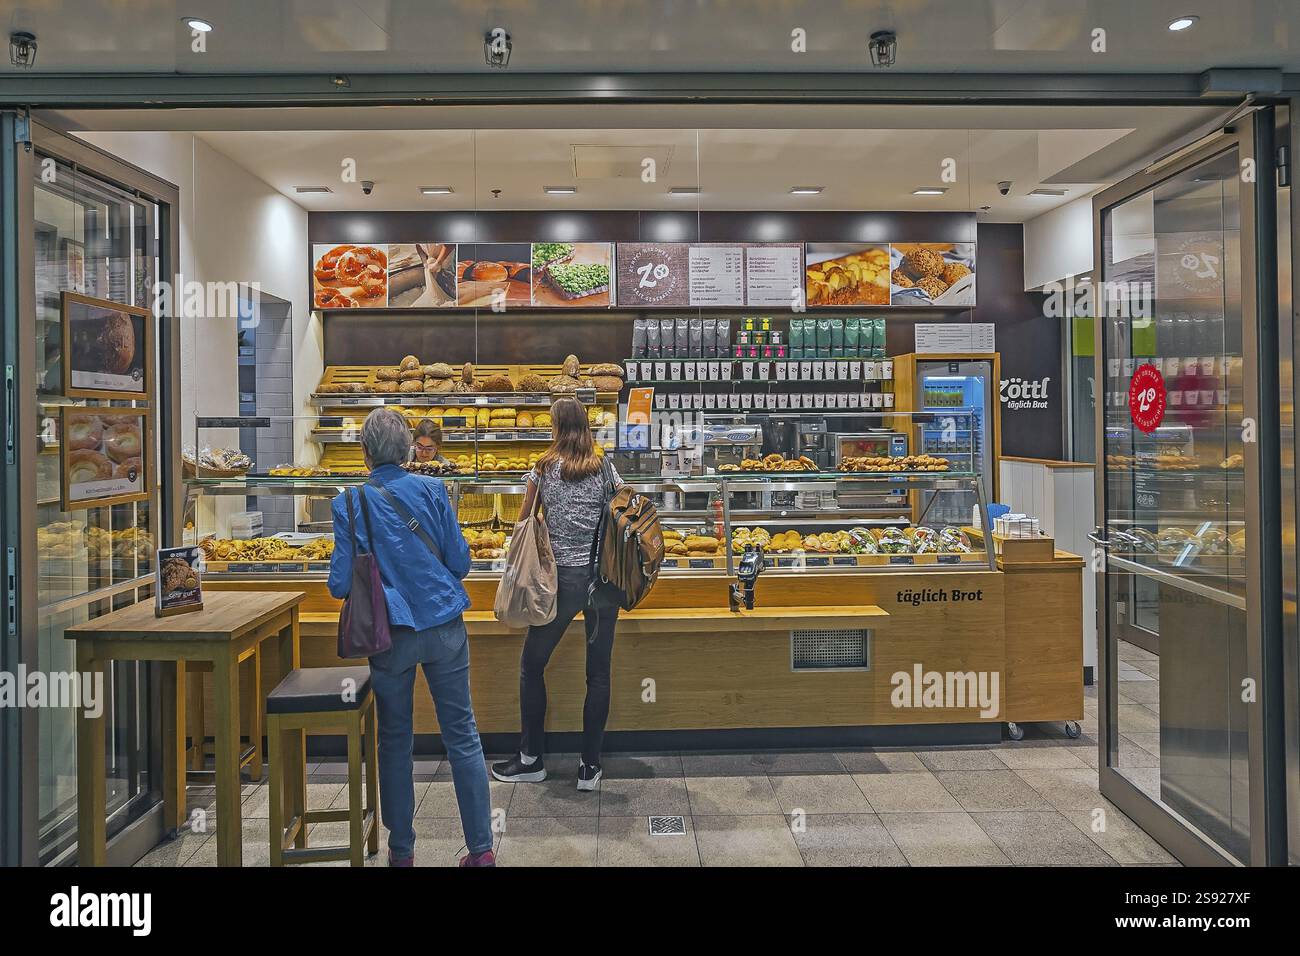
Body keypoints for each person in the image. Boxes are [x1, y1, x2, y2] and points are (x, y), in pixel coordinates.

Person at [328, 407, 494, 867]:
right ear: (407, 450)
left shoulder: (349, 503)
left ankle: (402, 852)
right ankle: (481, 850)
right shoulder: (434, 489)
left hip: (390, 634)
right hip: (443, 625)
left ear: (364, 453)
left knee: (395, 739)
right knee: (462, 735)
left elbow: (340, 584)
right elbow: (460, 563)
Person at [492, 396, 621, 792]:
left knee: (533, 665)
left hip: (558, 583)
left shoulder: (543, 469)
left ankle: (531, 758)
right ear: (585, 426)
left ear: (555, 428)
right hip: (602, 583)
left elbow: (524, 523)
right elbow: (621, 511)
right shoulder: (604, 467)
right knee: (597, 674)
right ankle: (589, 767)